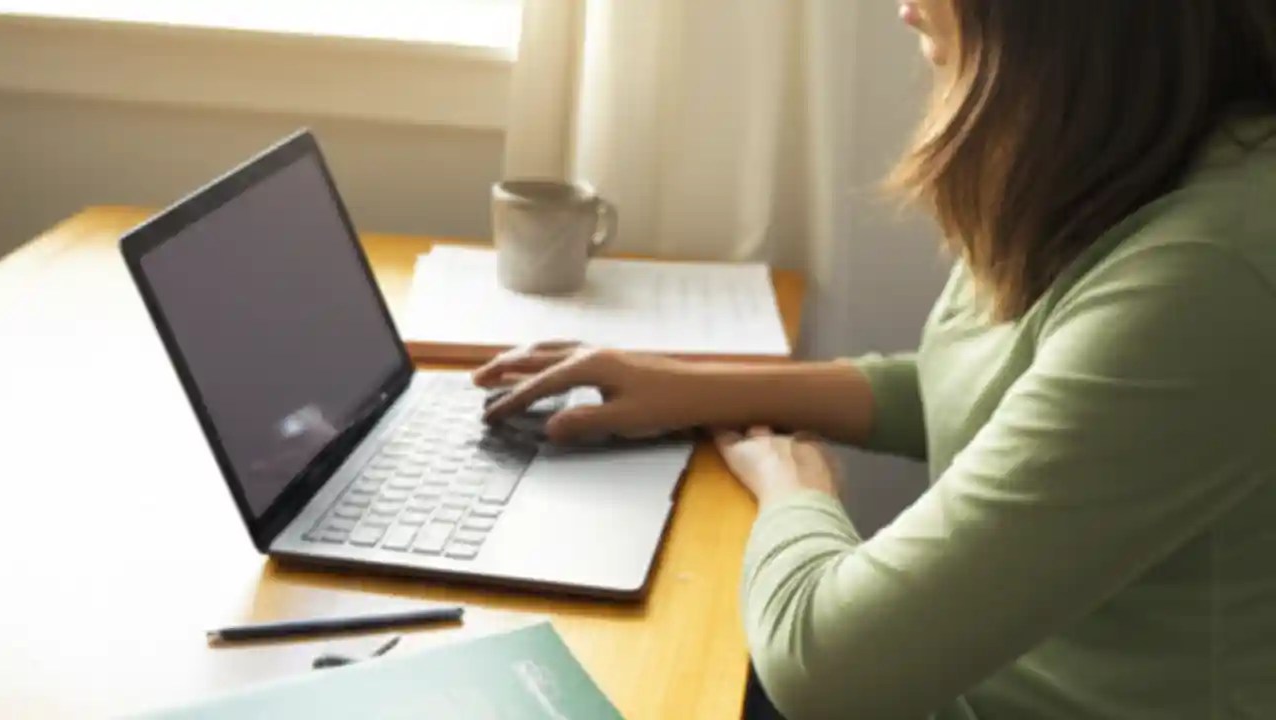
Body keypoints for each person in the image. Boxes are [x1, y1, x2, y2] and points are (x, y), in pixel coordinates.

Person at [477, 1, 1276, 717]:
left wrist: (795, 486)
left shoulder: (1212, 271)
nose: (903, 9)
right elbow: (966, 387)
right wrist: (690, 387)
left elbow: (824, 670)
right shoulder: (1123, 160)